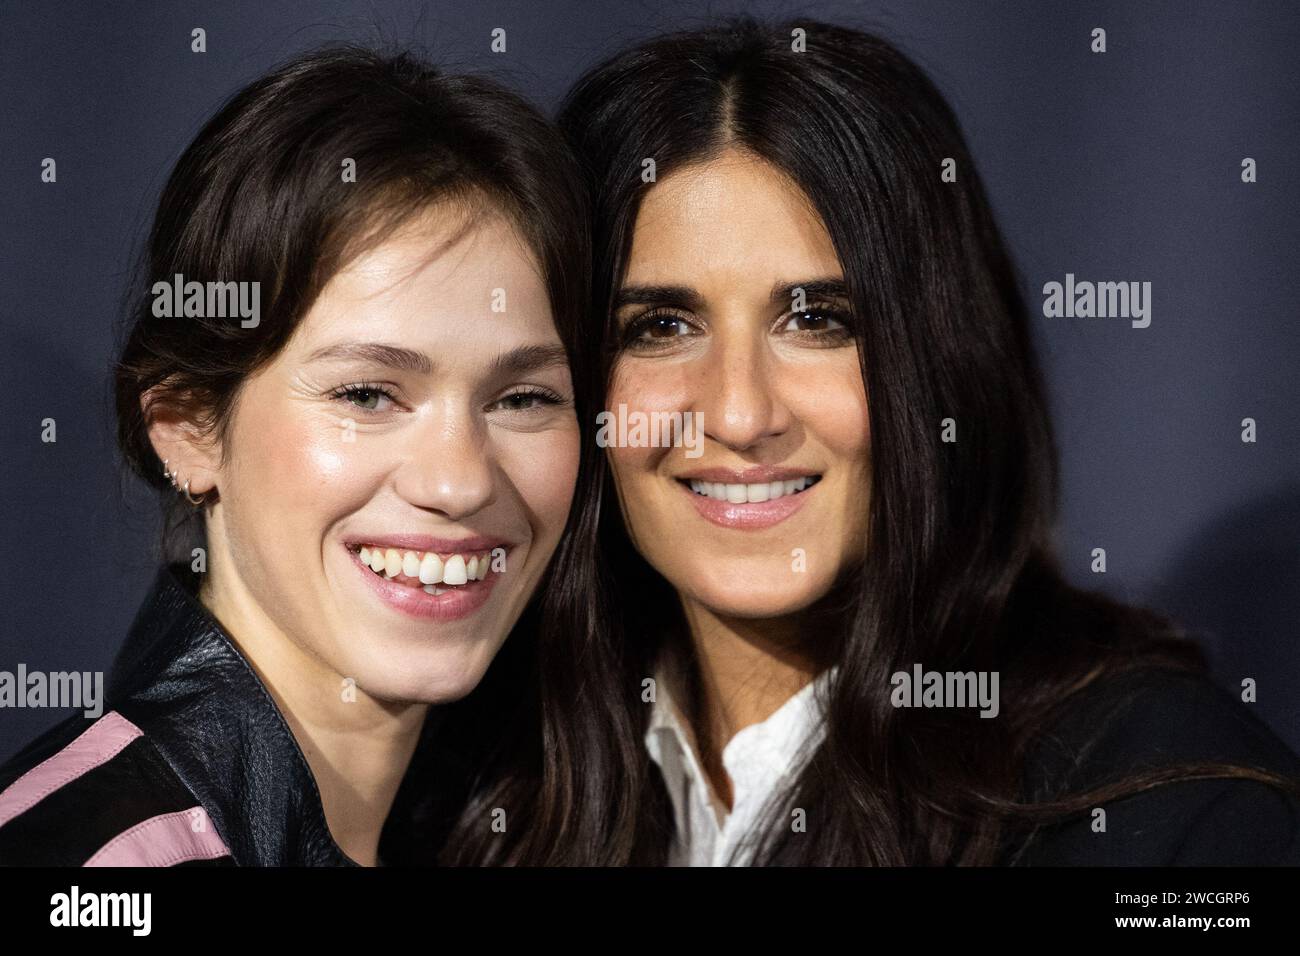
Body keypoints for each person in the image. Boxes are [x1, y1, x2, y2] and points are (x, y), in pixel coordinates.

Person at [555, 17, 1300, 865]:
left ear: (941, 358)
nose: (736, 414)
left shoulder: (1177, 812)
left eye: (817, 320)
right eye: (660, 325)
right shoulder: (489, 783)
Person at [0, 46, 593, 866]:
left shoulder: (502, 825)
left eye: (523, 399)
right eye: (366, 394)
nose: (458, 480)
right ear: (187, 428)